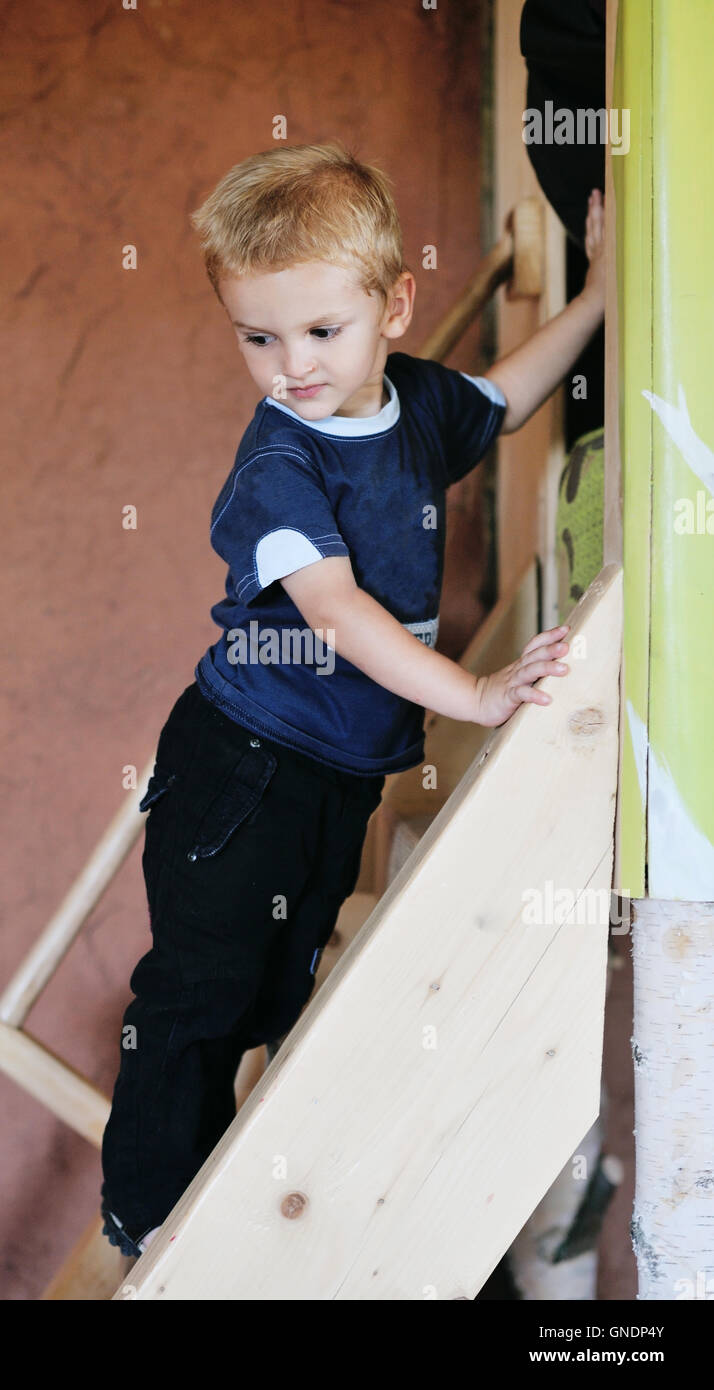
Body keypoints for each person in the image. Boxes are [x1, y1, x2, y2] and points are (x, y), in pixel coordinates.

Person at [99, 141, 605, 1260]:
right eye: (257, 337)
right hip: (244, 760)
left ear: (393, 307)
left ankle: (210, 1211)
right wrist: (473, 691)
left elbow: (509, 394)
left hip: (333, 772)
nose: (291, 365)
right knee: (199, 991)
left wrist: (603, 294)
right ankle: (148, 1222)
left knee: (279, 994)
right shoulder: (279, 465)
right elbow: (332, 610)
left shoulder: (415, 402)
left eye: (320, 331)